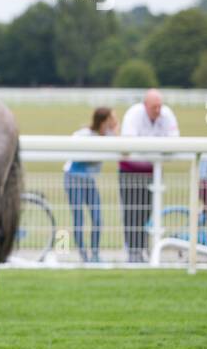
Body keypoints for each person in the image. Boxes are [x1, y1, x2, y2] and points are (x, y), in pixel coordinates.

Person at [118, 89, 179, 262]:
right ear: (145, 105)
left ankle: (142, 248)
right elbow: (130, 144)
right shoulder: (133, 114)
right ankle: (133, 251)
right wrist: (158, 149)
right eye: (154, 107)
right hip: (129, 171)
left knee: (147, 212)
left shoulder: (167, 115)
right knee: (131, 212)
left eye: (159, 106)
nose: (158, 110)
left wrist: (150, 149)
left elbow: (174, 142)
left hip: (153, 172)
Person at [65, 107, 118, 263]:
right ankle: (83, 255)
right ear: (104, 120)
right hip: (74, 177)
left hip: (89, 180)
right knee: (79, 218)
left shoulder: (108, 136)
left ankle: (95, 253)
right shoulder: (83, 134)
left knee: (97, 218)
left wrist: (116, 128)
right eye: (112, 118)